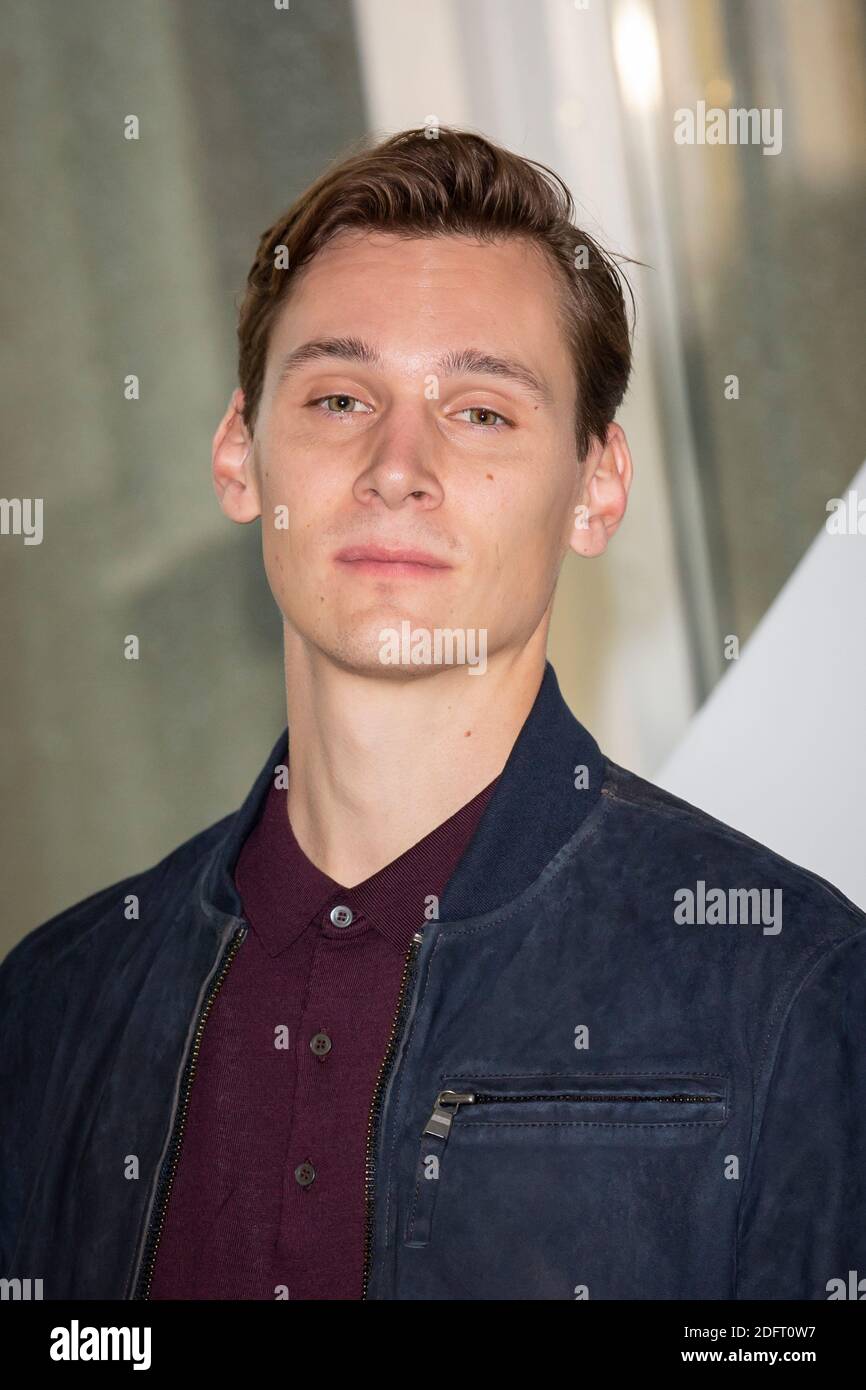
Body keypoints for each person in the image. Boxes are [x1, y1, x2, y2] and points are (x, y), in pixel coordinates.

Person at [2, 126, 864, 1302]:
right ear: (238, 455)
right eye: (340, 395)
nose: (395, 464)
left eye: (481, 412)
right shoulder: (54, 1005)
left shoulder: (789, 988)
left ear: (595, 485)